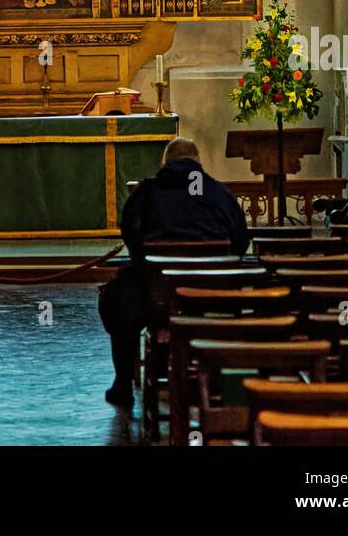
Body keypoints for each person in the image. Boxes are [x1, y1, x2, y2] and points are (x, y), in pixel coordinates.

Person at [98, 136, 249, 408]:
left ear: (165, 162)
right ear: (198, 163)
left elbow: (131, 237)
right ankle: (222, 380)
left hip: (157, 299)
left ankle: (123, 383)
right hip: (212, 294)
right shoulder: (219, 193)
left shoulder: (146, 192)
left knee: (117, 300)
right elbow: (240, 241)